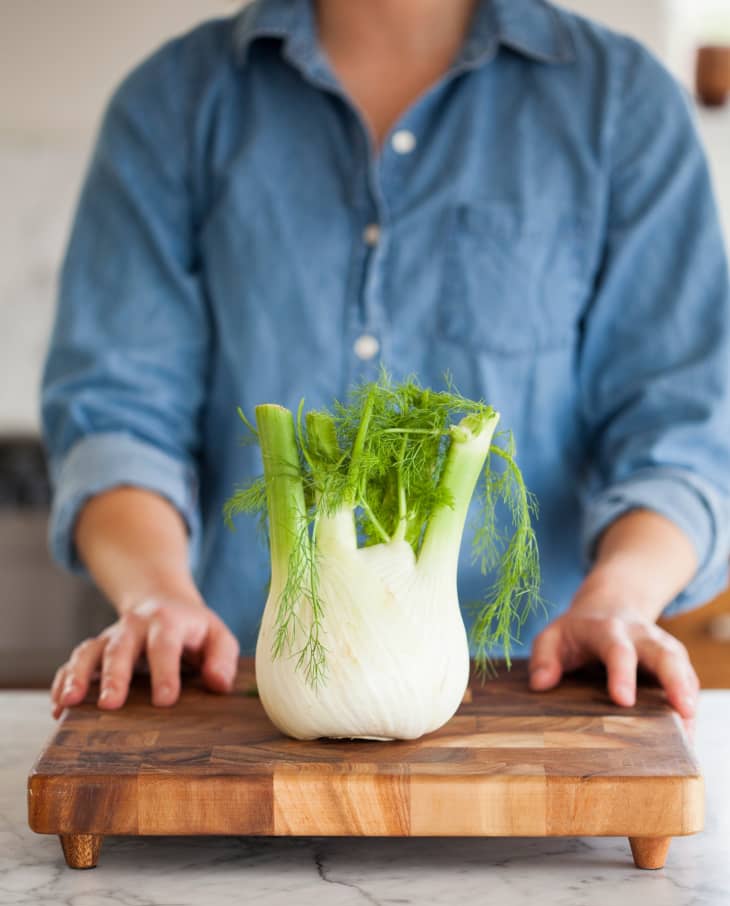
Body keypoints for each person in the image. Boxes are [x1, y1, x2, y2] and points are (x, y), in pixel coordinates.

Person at [42, 0, 730, 727]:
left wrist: (620, 597)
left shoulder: (621, 102)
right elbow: (116, 415)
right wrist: (157, 594)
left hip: (545, 693)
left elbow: (686, 429)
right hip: (225, 693)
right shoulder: (174, 102)